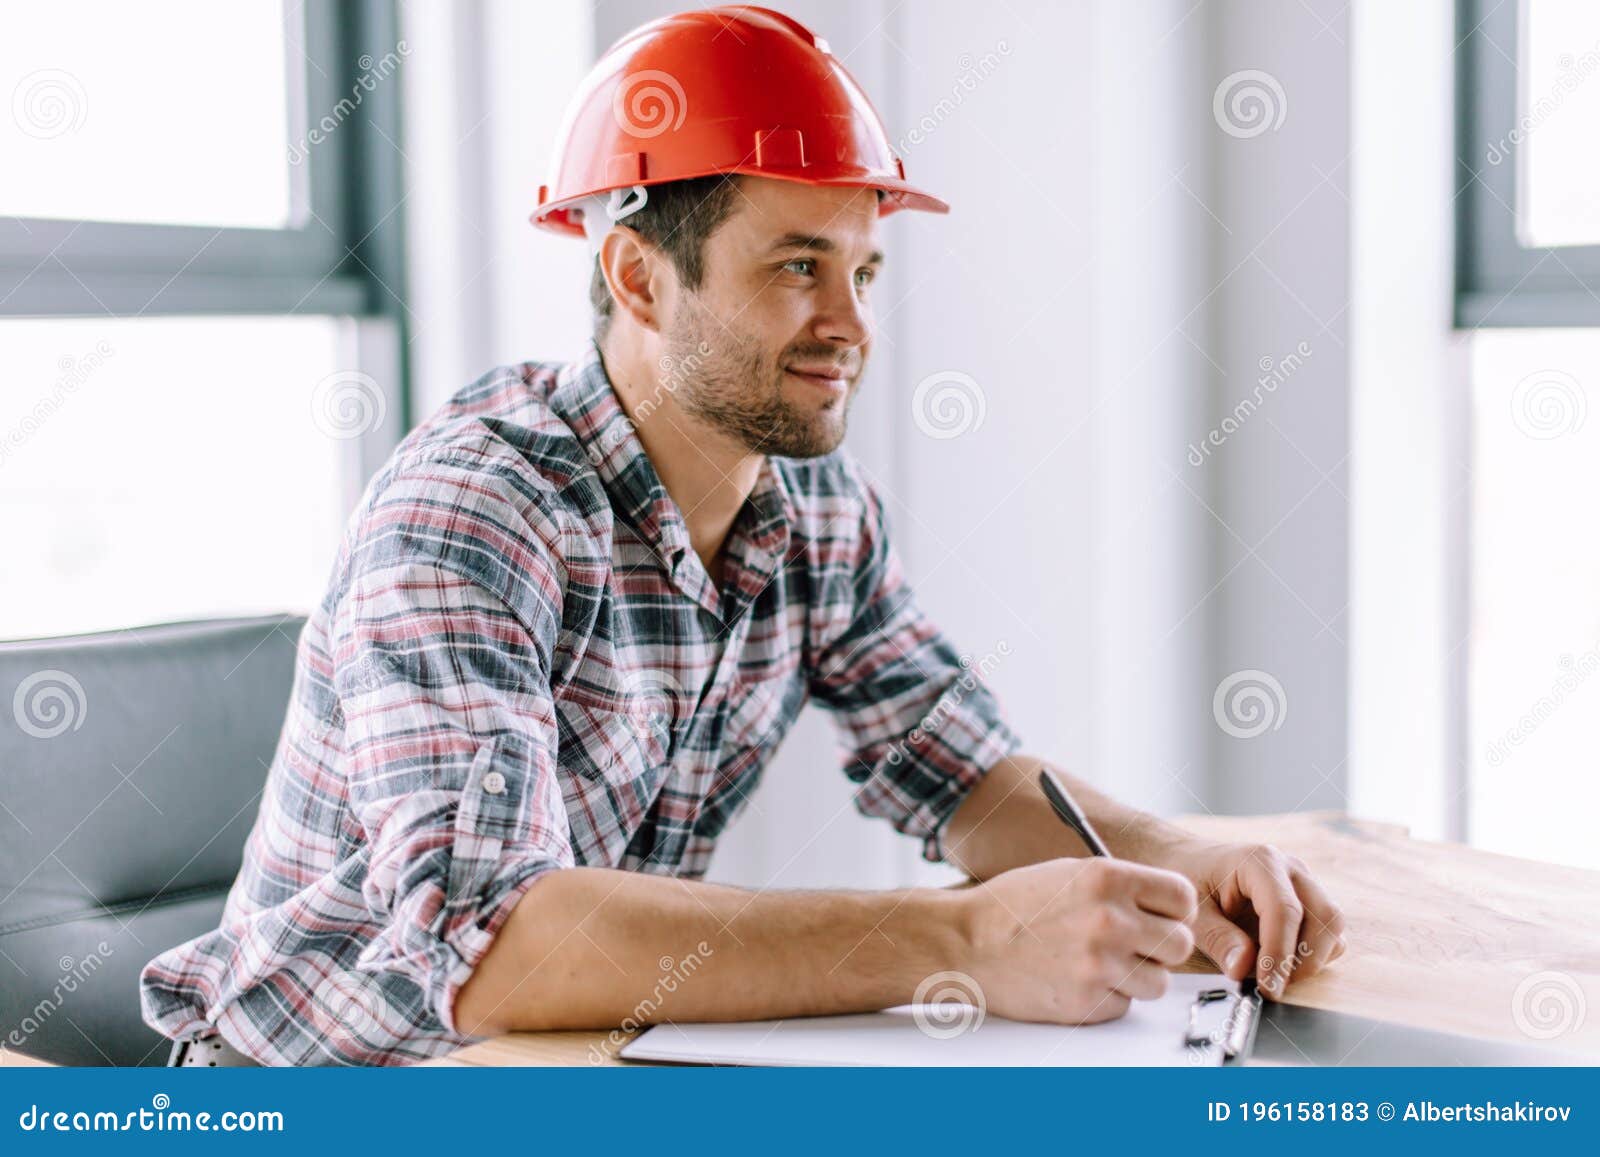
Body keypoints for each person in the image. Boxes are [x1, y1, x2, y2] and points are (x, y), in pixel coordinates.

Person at [140, 5, 1344, 1067]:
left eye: (863, 271)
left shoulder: (813, 506)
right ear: (642, 277)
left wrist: (1181, 857)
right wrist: (965, 939)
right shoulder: (472, 511)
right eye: (795, 266)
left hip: (575, 1058)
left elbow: (962, 771)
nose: (849, 323)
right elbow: (492, 946)